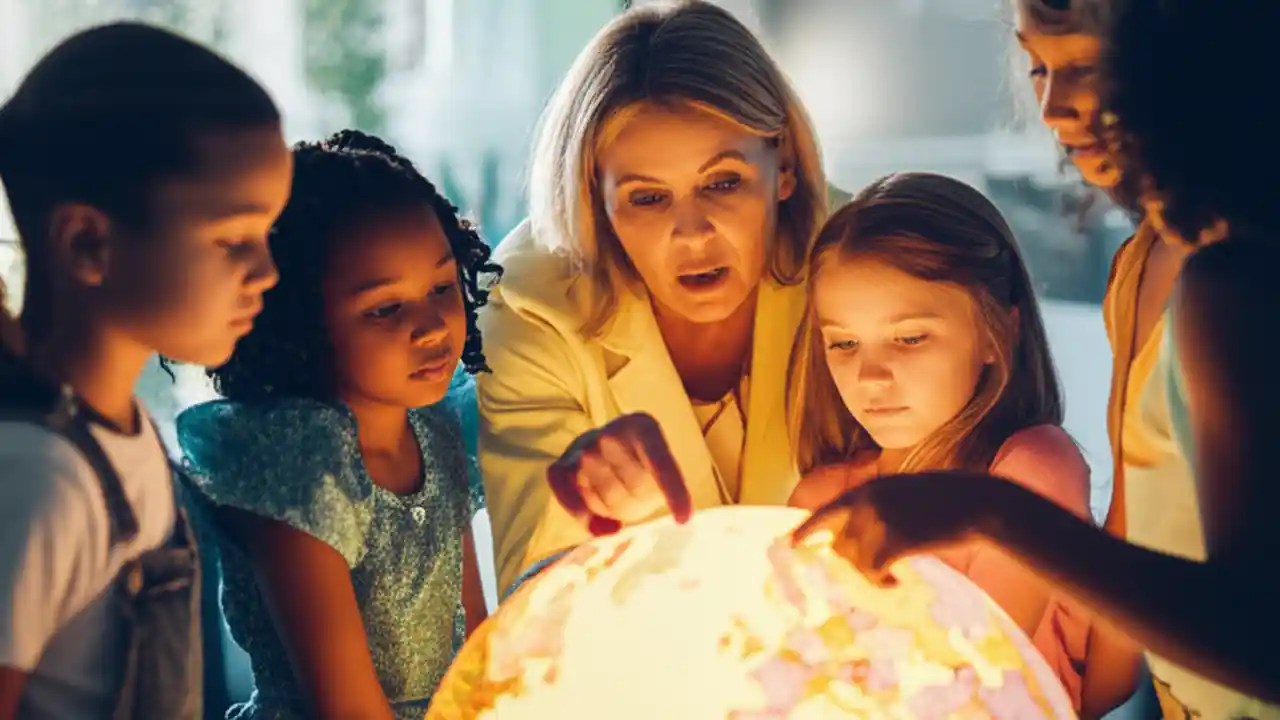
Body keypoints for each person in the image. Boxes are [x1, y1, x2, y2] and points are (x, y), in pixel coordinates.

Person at [795, 0, 1280, 715]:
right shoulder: (1140, 263)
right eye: (1036, 66)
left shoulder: (1239, 280)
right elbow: (1134, 529)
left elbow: (1260, 631)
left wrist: (993, 513)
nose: (1051, 107)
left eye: (1083, 66)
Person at [478, 0, 827, 595]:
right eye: (647, 198)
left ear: (785, 166)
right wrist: (600, 516)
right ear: (595, 197)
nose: (692, 232)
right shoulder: (529, 302)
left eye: (723, 183)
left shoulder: (860, 261)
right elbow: (534, 599)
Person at [0, 23, 290, 719]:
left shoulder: (128, 435)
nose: (266, 272)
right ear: (88, 241)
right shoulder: (43, 478)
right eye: (232, 240)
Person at [177, 131, 498, 720]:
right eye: (384, 308)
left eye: (441, 288)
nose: (431, 327)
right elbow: (344, 707)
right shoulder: (298, 470)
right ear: (298, 324)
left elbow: (475, 651)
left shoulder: (440, 430)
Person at [785, 172, 1108, 711]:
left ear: (997, 333)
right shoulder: (821, 499)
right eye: (843, 343)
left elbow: (977, 677)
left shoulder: (1030, 471)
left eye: (909, 338)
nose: (870, 377)